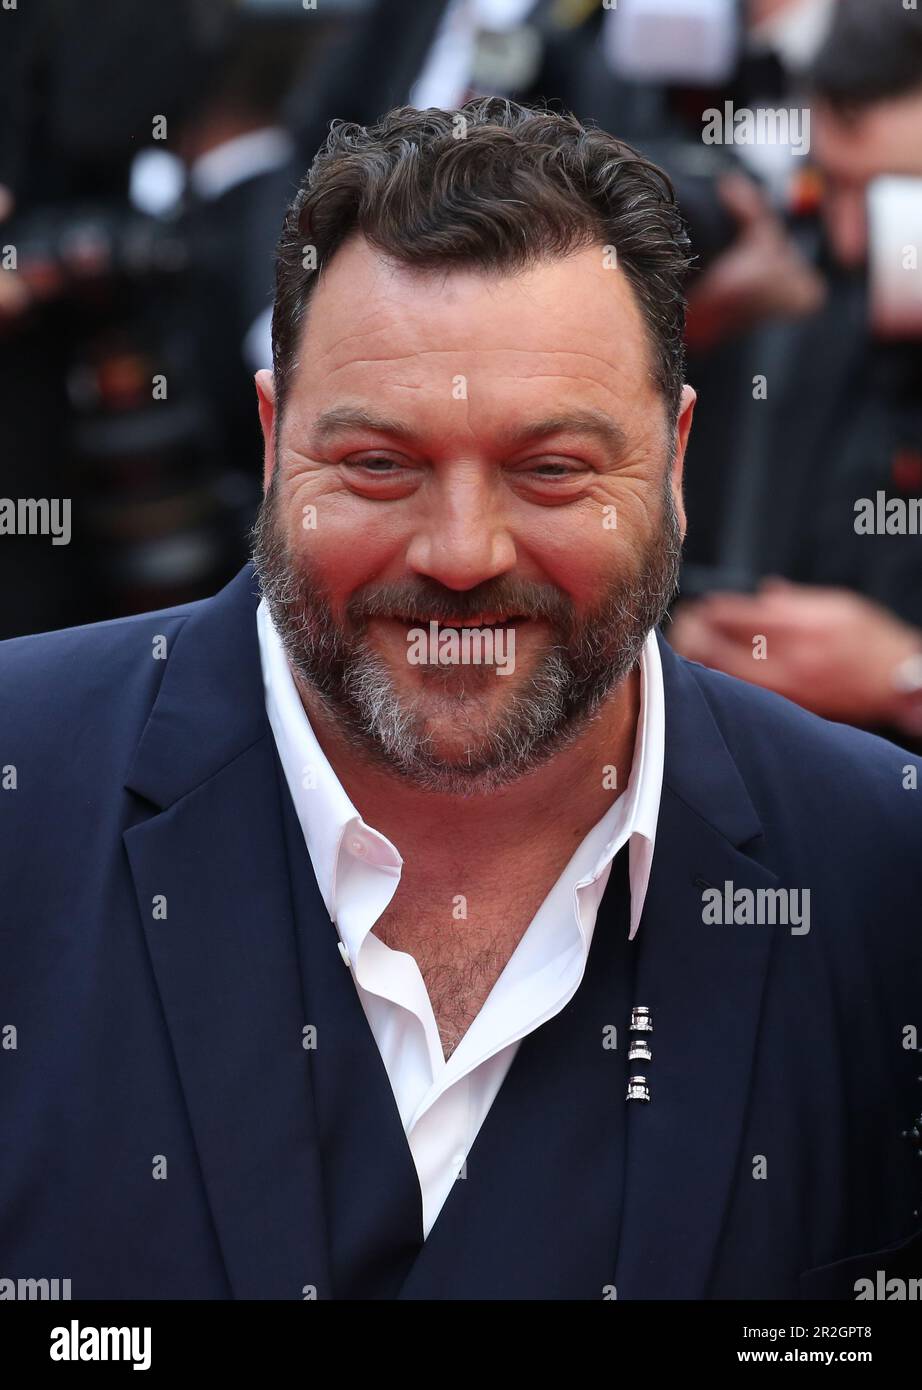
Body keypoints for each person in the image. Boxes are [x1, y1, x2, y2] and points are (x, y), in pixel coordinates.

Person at [1, 98, 920, 1302]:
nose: (461, 548)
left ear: (676, 462)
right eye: (380, 463)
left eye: (551, 470)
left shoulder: (879, 868)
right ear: (277, 444)